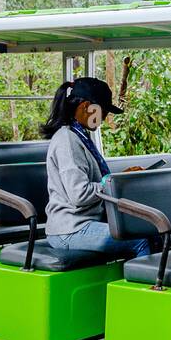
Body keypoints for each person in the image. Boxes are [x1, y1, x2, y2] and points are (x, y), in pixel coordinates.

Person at [40, 76, 153, 259]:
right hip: (70, 229)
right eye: (104, 112)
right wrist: (111, 183)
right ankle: (147, 286)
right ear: (86, 107)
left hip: (86, 223)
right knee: (139, 240)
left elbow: (95, 183)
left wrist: (118, 179)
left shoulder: (80, 136)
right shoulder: (67, 140)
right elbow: (79, 194)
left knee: (152, 230)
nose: (104, 119)